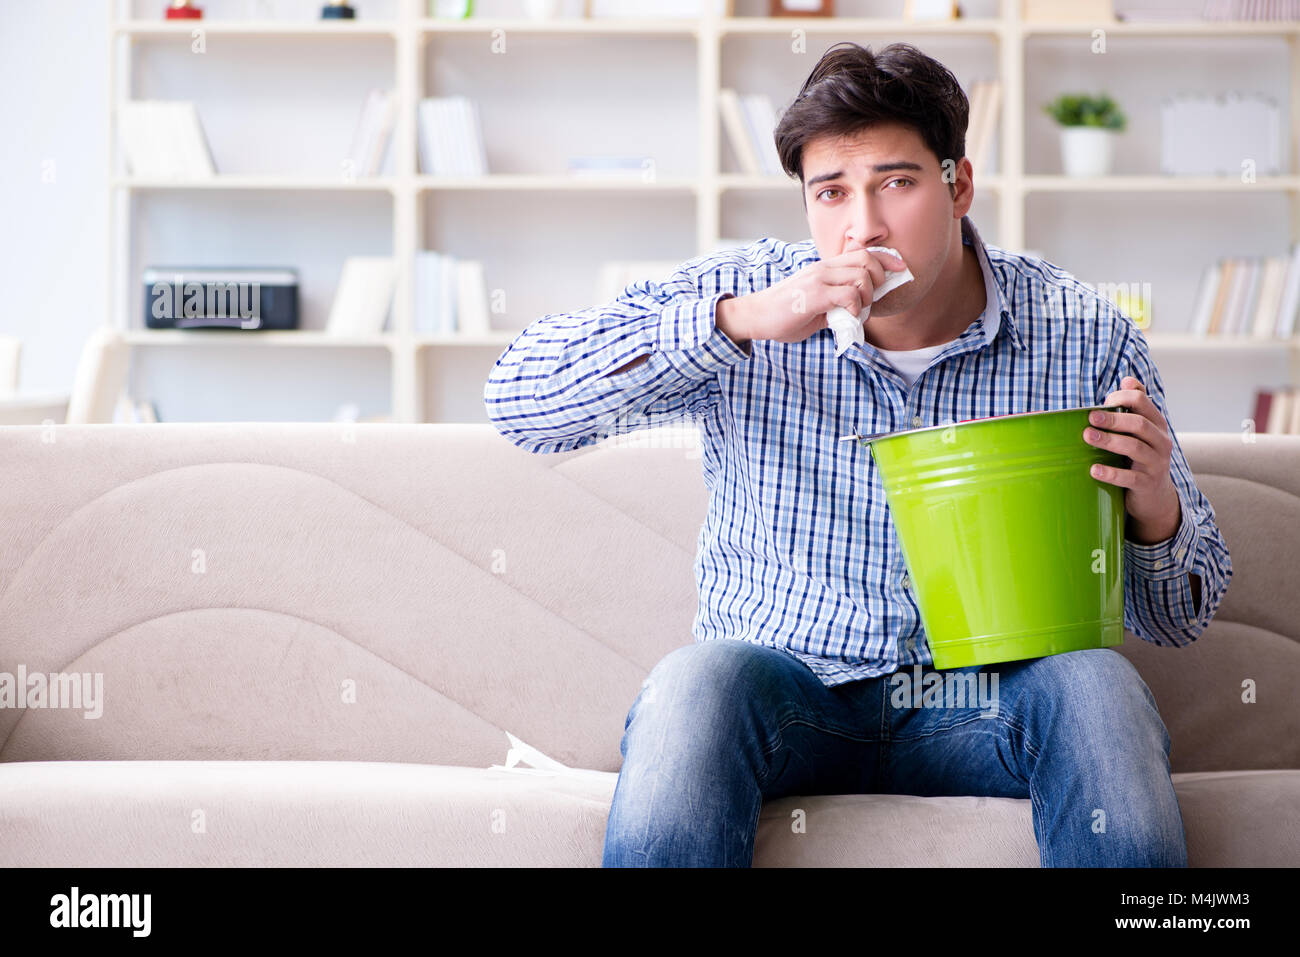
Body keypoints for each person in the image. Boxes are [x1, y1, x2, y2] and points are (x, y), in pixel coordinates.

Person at [483, 41, 1232, 867]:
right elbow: (519, 402)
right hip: (787, 695)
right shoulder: (749, 295)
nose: (863, 225)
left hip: (990, 701)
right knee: (695, 684)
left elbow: (1181, 616)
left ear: (960, 185)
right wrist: (737, 323)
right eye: (830, 193)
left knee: (1098, 686)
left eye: (897, 183)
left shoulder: (1084, 332)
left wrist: (1155, 506)